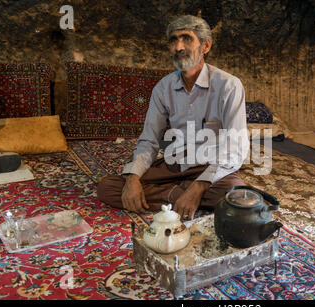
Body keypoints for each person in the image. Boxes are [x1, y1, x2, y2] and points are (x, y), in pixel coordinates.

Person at [97, 15, 249, 220]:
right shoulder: (163, 88)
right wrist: (133, 179)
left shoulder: (228, 86)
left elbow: (235, 148)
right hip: (174, 165)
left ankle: (179, 195)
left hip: (210, 166)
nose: (178, 47)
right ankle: (181, 196)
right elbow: (149, 139)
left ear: (205, 46)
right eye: (173, 40)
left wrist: (198, 187)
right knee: (108, 187)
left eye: (186, 39)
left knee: (235, 194)